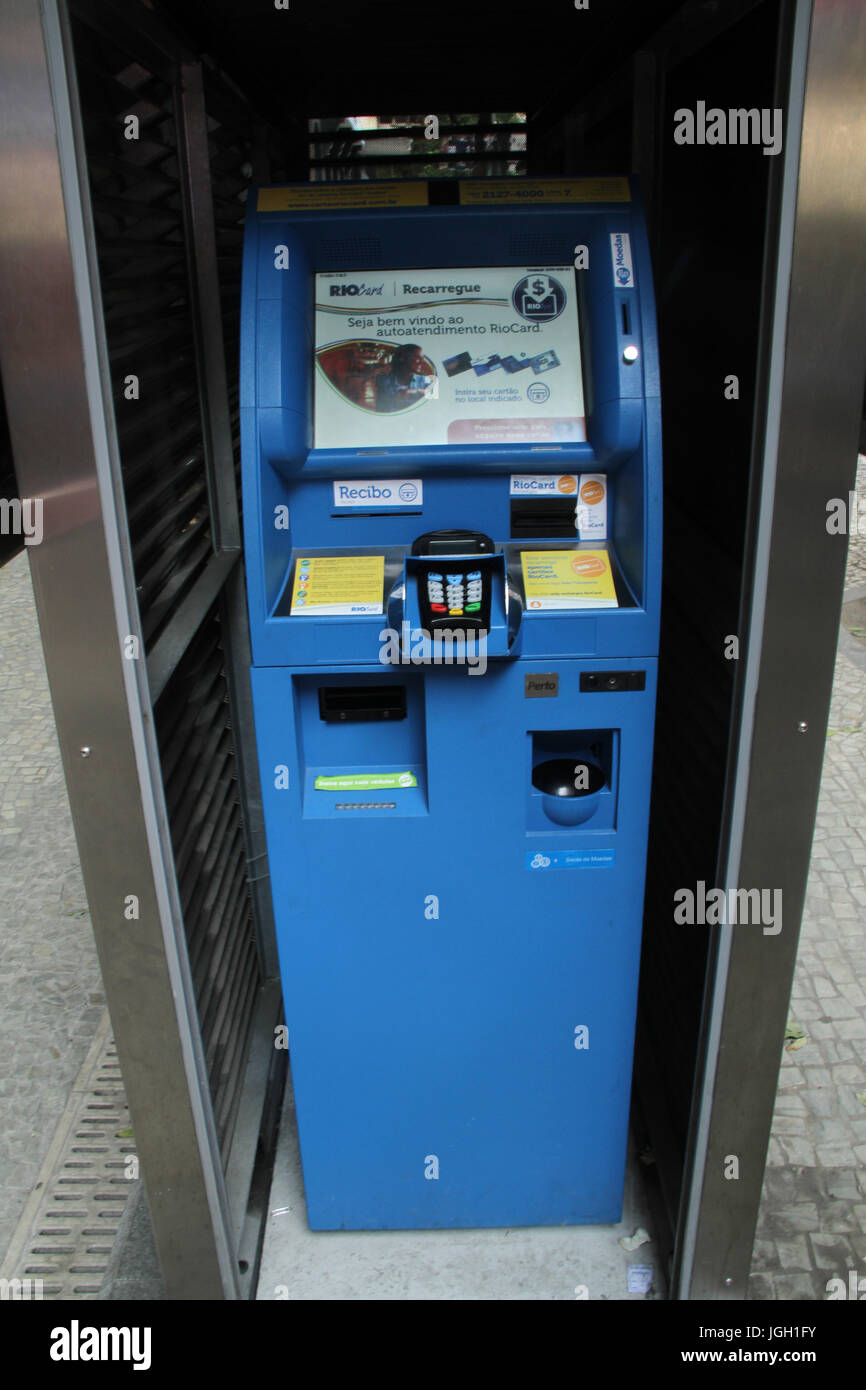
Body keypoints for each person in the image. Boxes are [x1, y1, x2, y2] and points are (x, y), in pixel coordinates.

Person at [376, 344, 432, 411]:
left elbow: (437, 397)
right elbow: (381, 409)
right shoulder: (384, 382)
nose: (421, 362)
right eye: (417, 358)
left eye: (422, 359)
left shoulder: (425, 381)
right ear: (402, 358)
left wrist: (417, 391)